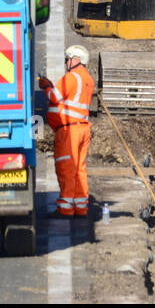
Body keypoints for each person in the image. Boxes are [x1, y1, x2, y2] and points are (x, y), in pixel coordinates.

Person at [40, 46, 95, 218]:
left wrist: (46, 85)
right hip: (83, 129)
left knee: (66, 168)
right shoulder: (88, 79)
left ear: (76, 59)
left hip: (69, 131)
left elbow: (54, 97)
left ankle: (66, 208)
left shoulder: (72, 77)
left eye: (67, 59)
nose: (66, 62)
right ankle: (80, 207)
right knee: (79, 169)